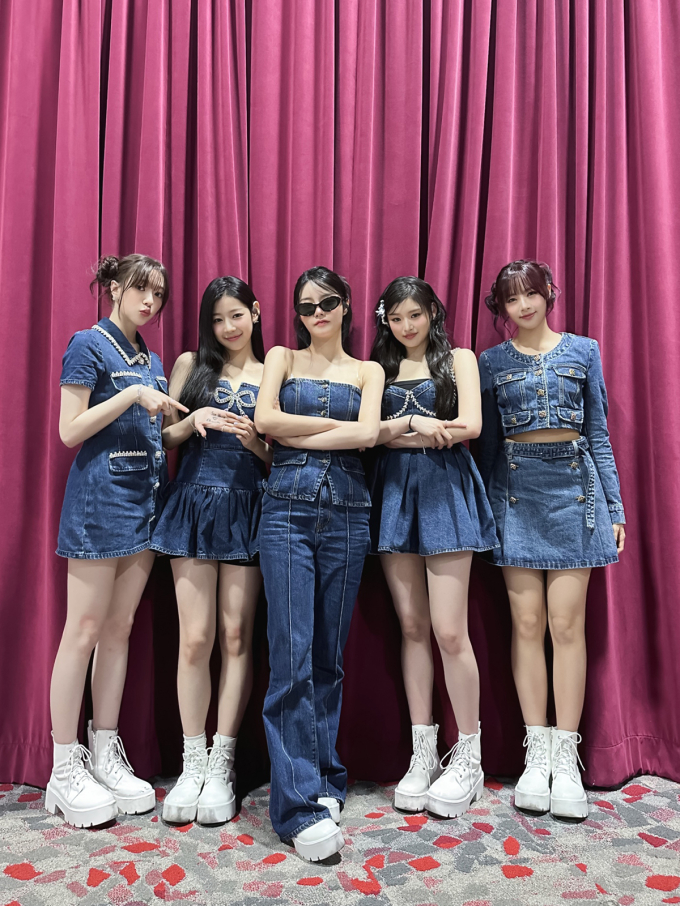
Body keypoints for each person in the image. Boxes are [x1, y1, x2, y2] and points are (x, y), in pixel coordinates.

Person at [478, 259, 626, 819]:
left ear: (548, 294)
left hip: (575, 494)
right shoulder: (492, 362)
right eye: (511, 299)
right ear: (501, 308)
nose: (523, 306)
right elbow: (487, 447)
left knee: (566, 626)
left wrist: (614, 506)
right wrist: (484, 513)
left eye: (531, 294)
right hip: (515, 495)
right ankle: (535, 752)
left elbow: (599, 434)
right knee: (526, 624)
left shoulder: (584, 351)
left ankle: (566, 756)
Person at [47, 254, 187, 827]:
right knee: (82, 630)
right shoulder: (88, 344)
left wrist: (193, 423)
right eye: (139, 289)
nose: (149, 302)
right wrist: (131, 397)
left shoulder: (151, 359)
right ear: (112, 287)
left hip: (146, 504)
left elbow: (157, 435)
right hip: (99, 504)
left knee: (119, 629)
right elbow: (70, 430)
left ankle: (105, 750)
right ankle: (63, 767)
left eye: (158, 294)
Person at [254, 266, 384, 861]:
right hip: (286, 510)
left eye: (327, 302)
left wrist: (301, 434)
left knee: (328, 657)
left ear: (346, 305)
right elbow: (266, 423)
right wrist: (342, 428)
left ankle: (326, 776)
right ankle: (297, 807)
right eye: (306, 307)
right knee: (291, 657)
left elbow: (368, 436)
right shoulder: (281, 357)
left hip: (350, 513)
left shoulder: (368, 370)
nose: (317, 314)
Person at [369, 276, 497, 818]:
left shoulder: (459, 359)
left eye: (415, 315)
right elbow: (369, 434)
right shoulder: (379, 368)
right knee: (412, 627)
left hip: (446, 488)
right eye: (396, 318)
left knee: (449, 630)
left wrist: (405, 431)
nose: (407, 326)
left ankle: (469, 754)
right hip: (394, 491)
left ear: (432, 314)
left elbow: (471, 425)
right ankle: (423, 751)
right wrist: (418, 429)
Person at [152, 277, 271, 825]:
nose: (228, 327)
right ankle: (192, 760)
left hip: (249, 508)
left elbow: (281, 457)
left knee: (236, 635)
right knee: (196, 638)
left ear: (255, 312)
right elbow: (163, 441)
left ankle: (222, 762)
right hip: (194, 505)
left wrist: (255, 443)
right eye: (218, 319)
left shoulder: (274, 371)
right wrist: (191, 420)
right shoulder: (189, 365)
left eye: (236, 315)